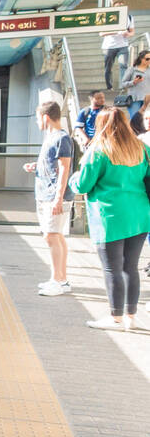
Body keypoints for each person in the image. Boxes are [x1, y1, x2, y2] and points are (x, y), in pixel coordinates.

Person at [69, 108, 150, 330]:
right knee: (130, 267)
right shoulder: (142, 149)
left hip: (110, 217)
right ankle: (131, 317)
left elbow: (83, 185)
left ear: (100, 126)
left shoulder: (99, 151)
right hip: (139, 215)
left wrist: (73, 178)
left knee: (112, 269)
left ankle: (115, 318)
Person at [25, 102, 74, 296]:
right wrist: (36, 166)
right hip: (47, 193)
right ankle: (61, 279)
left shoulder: (62, 138)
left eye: (38, 118)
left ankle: (57, 280)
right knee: (56, 235)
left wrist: (58, 198)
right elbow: (51, 164)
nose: (38, 122)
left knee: (51, 235)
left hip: (54, 195)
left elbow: (64, 168)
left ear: (45, 117)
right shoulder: (51, 137)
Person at [102, 1, 134, 90]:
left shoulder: (129, 17)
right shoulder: (107, 18)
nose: (120, 8)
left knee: (123, 65)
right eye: (117, 6)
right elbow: (101, 33)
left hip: (123, 45)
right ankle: (109, 86)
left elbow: (132, 32)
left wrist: (128, 33)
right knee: (108, 68)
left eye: (122, 6)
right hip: (108, 47)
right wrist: (118, 32)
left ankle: (123, 86)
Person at [120, 50, 150, 121]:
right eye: (147, 59)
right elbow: (123, 84)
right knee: (135, 120)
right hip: (134, 99)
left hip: (147, 99)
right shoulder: (132, 69)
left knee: (146, 121)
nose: (149, 60)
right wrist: (133, 82)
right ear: (141, 59)